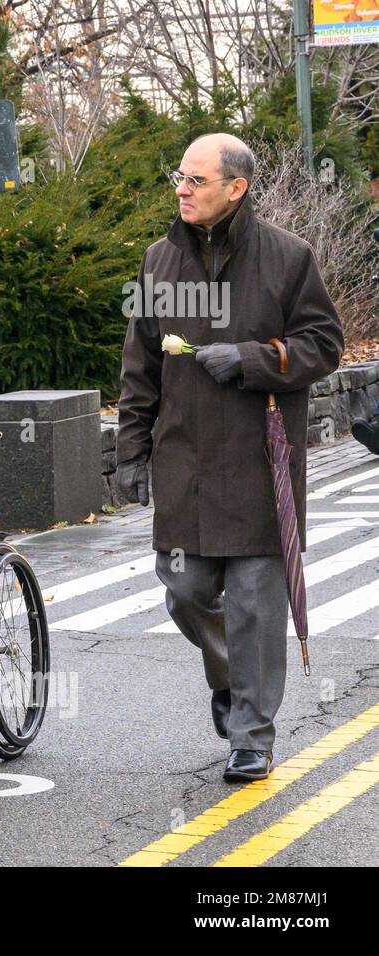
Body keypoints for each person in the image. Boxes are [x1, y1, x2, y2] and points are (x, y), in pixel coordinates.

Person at [116, 133, 343, 783]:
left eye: (195, 180)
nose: (181, 189)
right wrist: (131, 450)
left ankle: (252, 735)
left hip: (258, 466)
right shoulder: (157, 262)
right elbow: (140, 368)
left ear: (236, 188)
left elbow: (323, 346)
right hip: (184, 464)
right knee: (186, 591)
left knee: (254, 606)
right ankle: (228, 677)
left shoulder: (287, 258)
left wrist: (251, 360)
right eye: (177, 178)